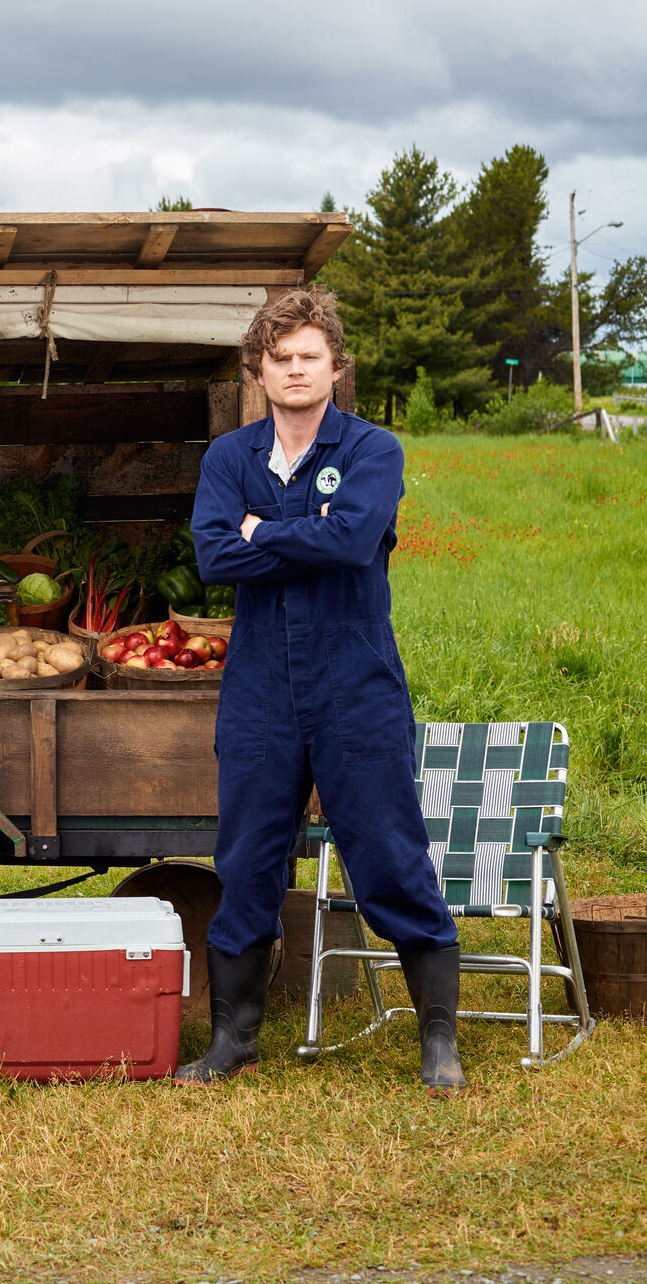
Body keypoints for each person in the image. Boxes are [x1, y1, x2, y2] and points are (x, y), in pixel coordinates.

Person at [175, 289, 464, 1093]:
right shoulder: (229, 460)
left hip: (355, 685)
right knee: (246, 860)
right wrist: (306, 536)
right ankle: (233, 1039)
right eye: (280, 358)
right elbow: (213, 558)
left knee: (389, 855)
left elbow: (351, 542)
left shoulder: (374, 450)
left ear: (335, 366)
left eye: (309, 355)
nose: (295, 369)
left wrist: (262, 531)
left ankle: (438, 1039)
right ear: (258, 371)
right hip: (261, 691)